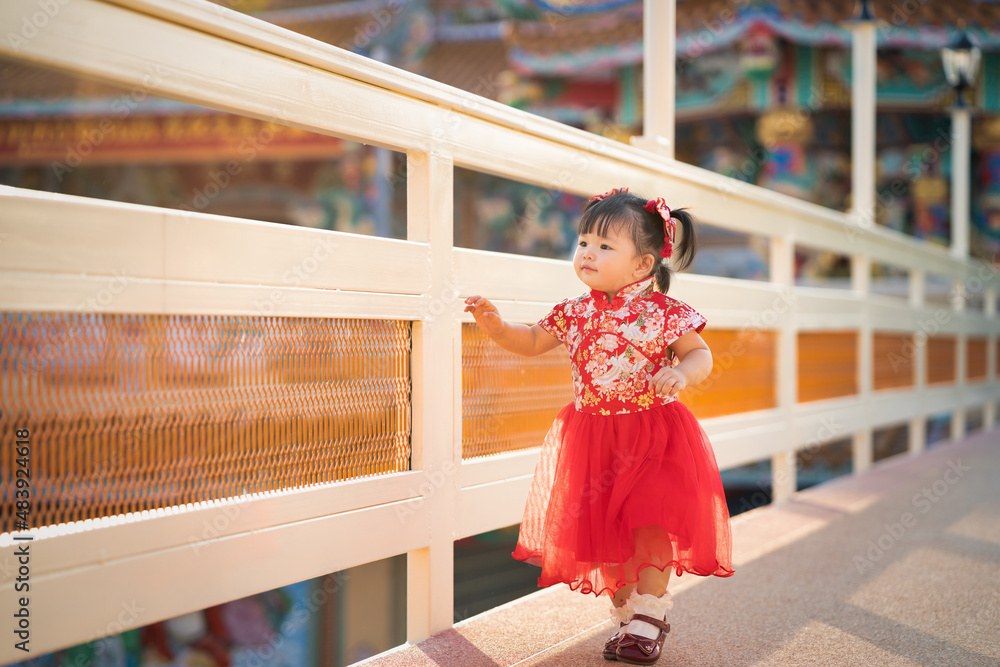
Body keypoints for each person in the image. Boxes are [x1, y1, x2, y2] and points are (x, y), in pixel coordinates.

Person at [464, 187, 734, 665]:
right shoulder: (574, 311)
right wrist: (499, 328)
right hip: (594, 437)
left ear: (642, 264)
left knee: (648, 522)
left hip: (651, 434)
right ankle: (628, 612)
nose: (588, 252)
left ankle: (649, 616)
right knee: (608, 533)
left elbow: (699, 353)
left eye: (605, 245)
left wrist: (683, 373)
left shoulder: (663, 313)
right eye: (584, 241)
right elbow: (532, 341)